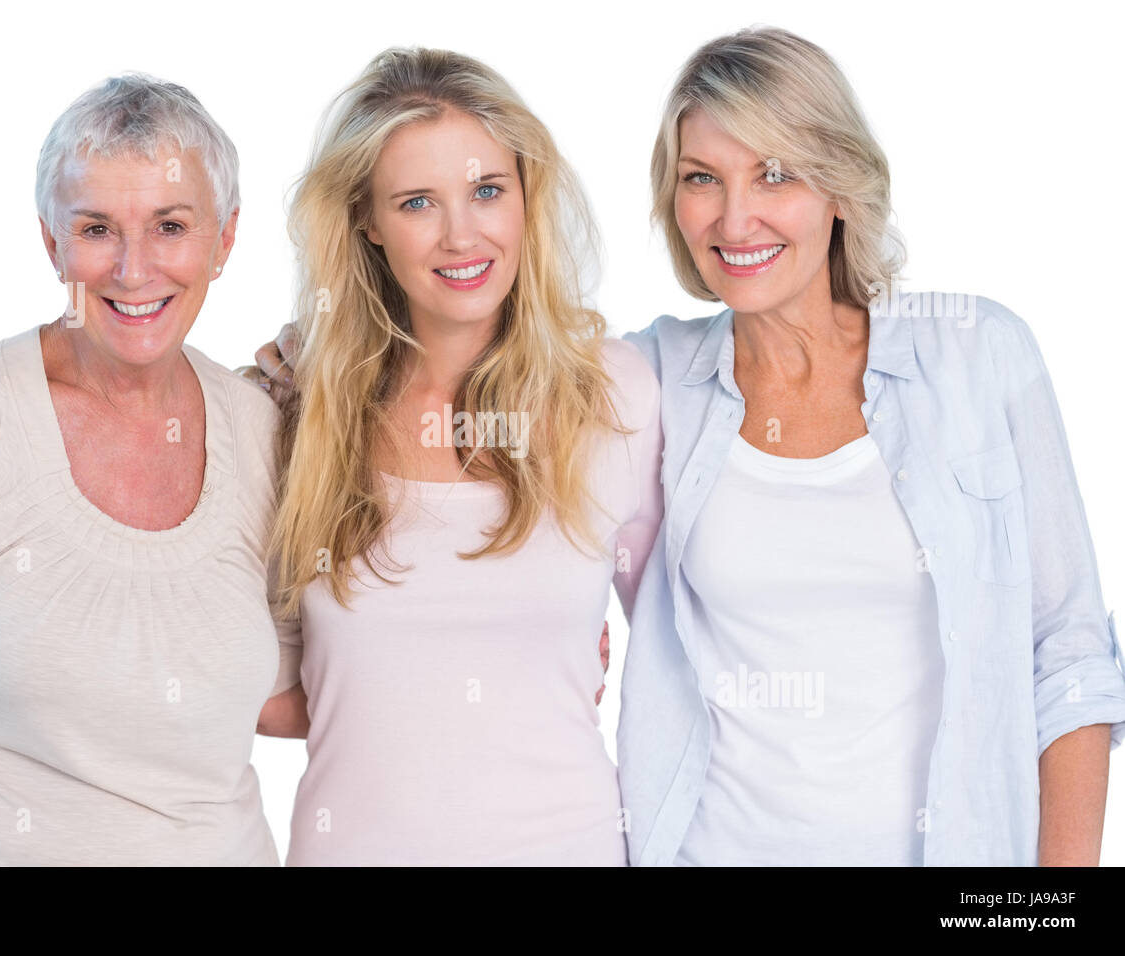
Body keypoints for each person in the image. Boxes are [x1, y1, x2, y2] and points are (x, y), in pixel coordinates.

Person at [616, 25, 1125, 866]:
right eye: (702, 178)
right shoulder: (651, 378)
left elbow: (1067, 652)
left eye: (774, 173)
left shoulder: (980, 354)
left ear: (841, 188)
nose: (734, 216)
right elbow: (485, 401)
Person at [0, 74, 304, 866]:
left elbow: (288, 697)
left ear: (224, 241)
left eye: (170, 226)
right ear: (52, 244)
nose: (132, 269)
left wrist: (522, 650)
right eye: (96, 229)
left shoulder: (262, 433)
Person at [264, 47, 662, 865]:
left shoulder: (615, 396)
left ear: (525, 196)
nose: (461, 235)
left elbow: (691, 646)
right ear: (366, 221)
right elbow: (244, 681)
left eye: (487, 190)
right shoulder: (302, 410)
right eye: (417, 202)